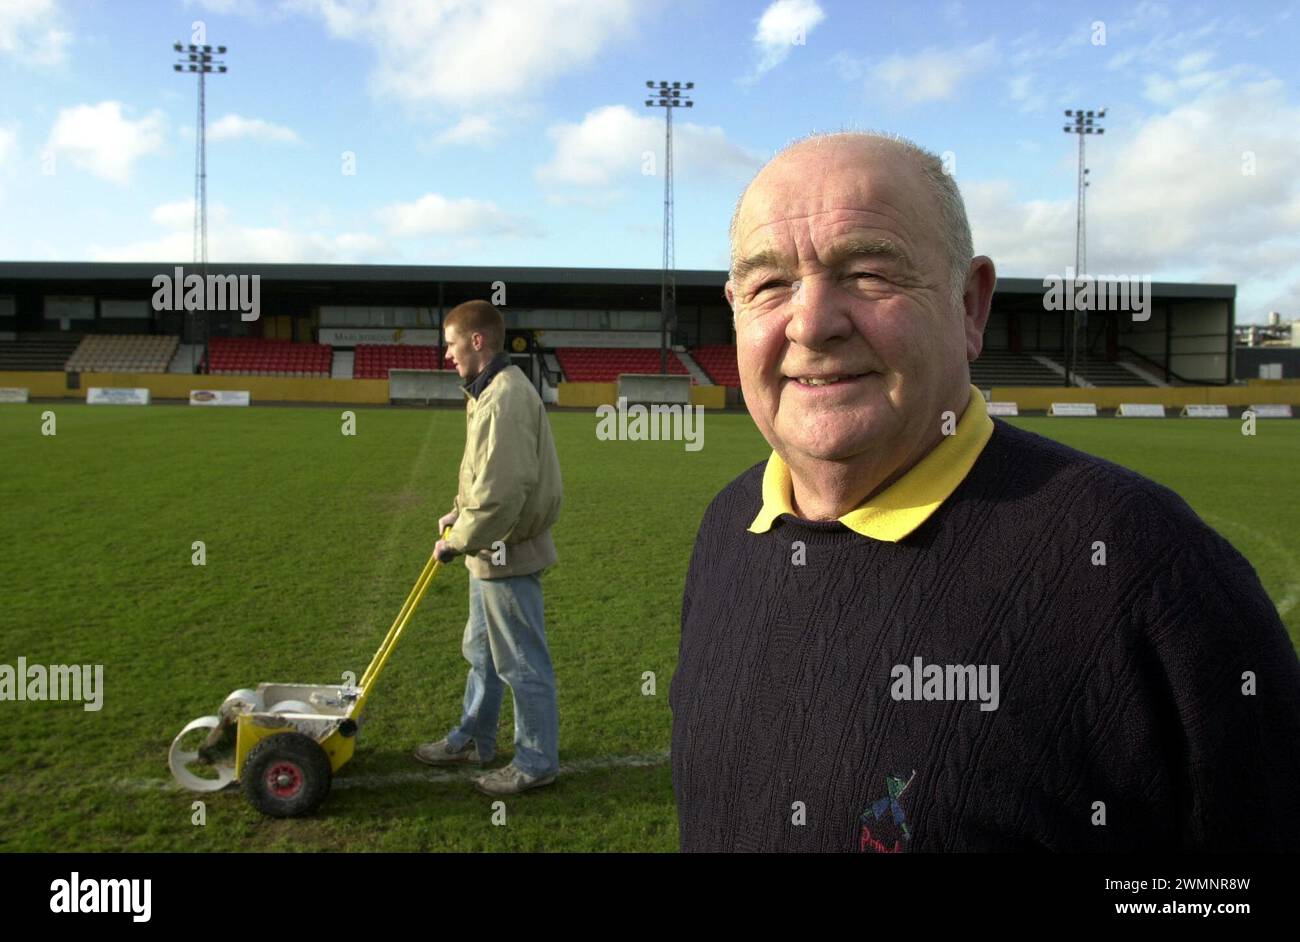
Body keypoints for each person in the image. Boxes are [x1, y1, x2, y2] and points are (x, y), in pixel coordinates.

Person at [669, 131, 1300, 852]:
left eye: (869, 271)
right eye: (769, 285)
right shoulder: (726, 525)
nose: (811, 322)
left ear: (970, 305)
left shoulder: (1150, 571)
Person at [414, 300, 563, 796]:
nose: (447, 355)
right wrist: (460, 511)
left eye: (451, 345)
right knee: (481, 652)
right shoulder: (486, 393)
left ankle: (536, 761)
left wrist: (457, 541)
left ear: (477, 341)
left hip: (506, 551)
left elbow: (503, 494)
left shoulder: (503, 398)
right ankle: (474, 736)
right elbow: (484, 476)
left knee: (521, 661)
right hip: (490, 548)